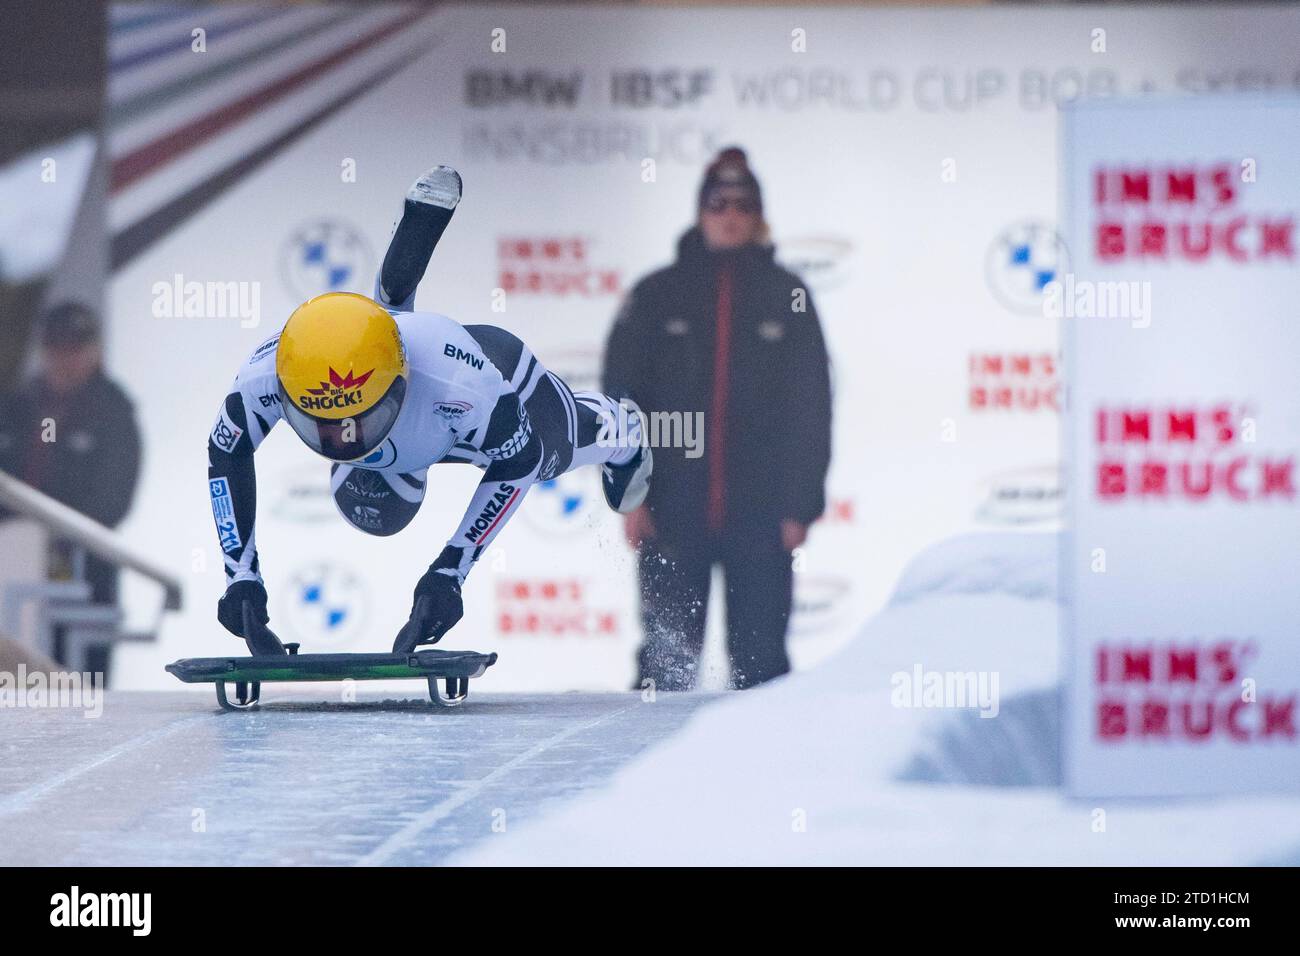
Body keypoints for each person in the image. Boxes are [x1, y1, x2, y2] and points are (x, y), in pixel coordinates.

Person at [208, 166, 652, 655]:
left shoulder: (460, 383)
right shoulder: (267, 374)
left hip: (485, 375)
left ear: (398, 385)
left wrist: (449, 571)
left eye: (358, 424)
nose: (346, 439)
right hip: (419, 404)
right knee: (374, 506)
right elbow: (225, 451)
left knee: (552, 452)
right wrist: (241, 579)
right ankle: (401, 278)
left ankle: (621, 427)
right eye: (325, 431)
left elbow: (519, 461)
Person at [602, 147, 832, 690]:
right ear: (700, 212)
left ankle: (770, 774)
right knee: (664, 666)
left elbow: (812, 407)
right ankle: (644, 775)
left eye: (743, 205)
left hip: (763, 515)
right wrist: (630, 497)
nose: (730, 215)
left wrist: (801, 505)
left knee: (764, 667)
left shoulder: (789, 296)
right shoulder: (657, 293)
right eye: (718, 203)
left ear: (758, 216)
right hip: (670, 511)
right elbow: (619, 404)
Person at [0, 302, 143, 608]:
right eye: (58, 349)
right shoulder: (16, 408)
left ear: (94, 350)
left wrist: (50, 529)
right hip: (12, 566)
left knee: (69, 654)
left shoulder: (113, 413)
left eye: (75, 349)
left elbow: (112, 500)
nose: (66, 360)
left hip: (84, 577)